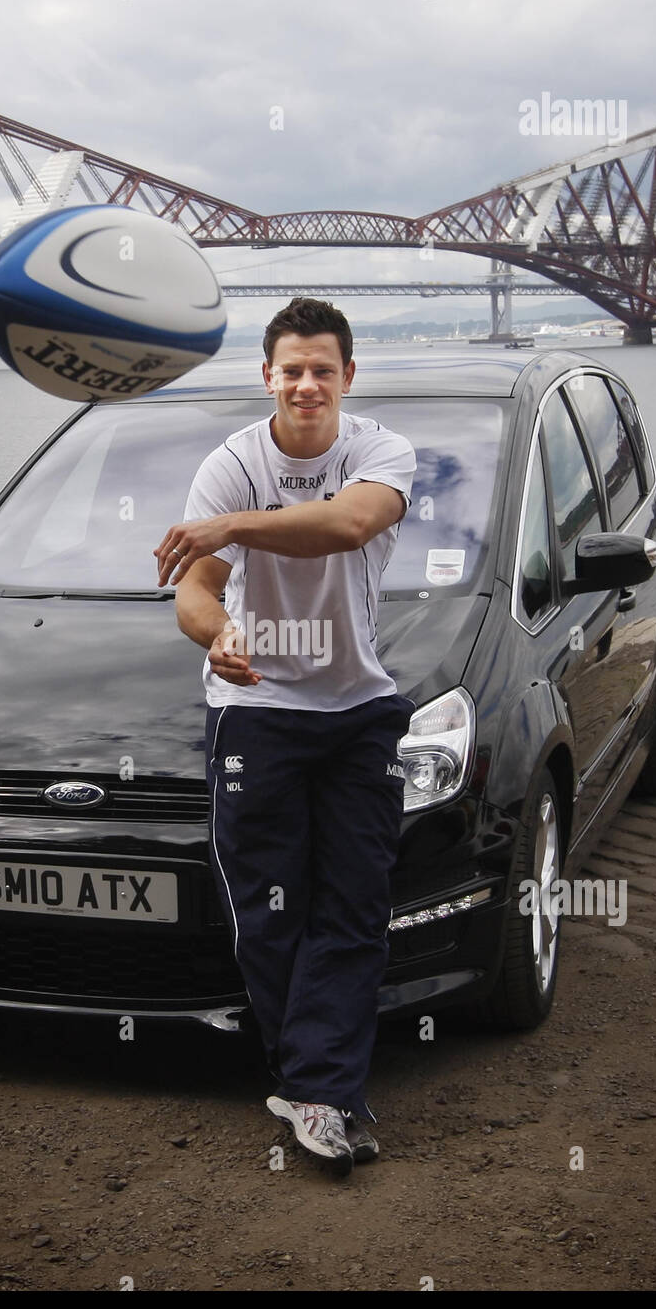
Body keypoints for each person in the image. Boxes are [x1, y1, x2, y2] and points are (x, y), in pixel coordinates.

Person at [154, 297, 416, 1174]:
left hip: (358, 708)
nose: (306, 384)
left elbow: (347, 524)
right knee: (269, 917)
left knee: (354, 908)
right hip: (257, 712)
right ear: (266, 377)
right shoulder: (229, 463)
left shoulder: (379, 451)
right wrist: (214, 631)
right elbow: (195, 589)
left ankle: (316, 1093)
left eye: (322, 370)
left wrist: (229, 526)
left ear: (347, 377)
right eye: (290, 369)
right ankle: (319, 1088)